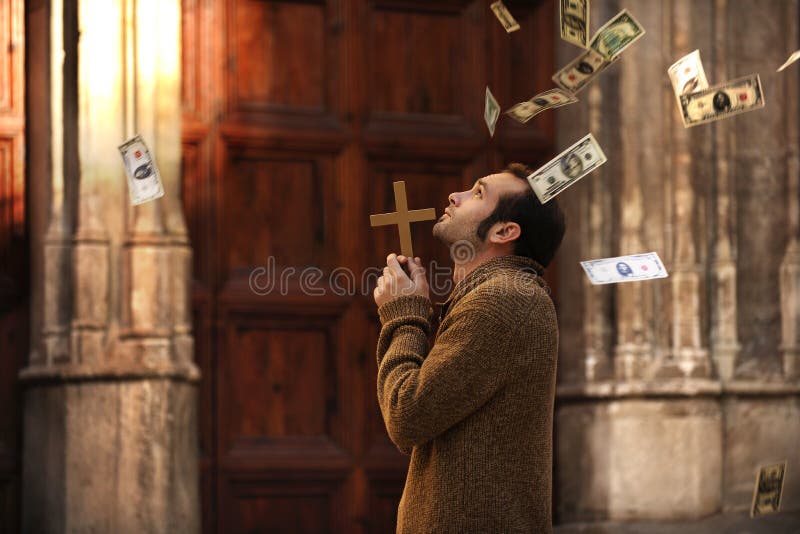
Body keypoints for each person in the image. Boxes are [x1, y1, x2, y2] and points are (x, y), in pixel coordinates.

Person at [373, 163, 566, 533]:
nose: (455, 196)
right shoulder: (499, 296)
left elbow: (406, 415)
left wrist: (405, 315)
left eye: (478, 193)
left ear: (504, 231)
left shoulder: (504, 300)